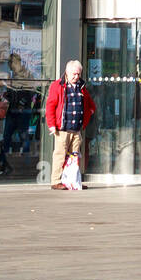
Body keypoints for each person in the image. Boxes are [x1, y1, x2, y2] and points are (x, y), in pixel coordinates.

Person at [44, 59, 96, 190]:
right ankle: (56, 181)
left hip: (76, 129)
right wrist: (51, 124)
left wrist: (85, 119)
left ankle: (73, 181)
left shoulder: (82, 87)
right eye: (74, 74)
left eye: (78, 74)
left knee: (75, 157)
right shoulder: (58, 86)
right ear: (67, 73)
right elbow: (50, 106)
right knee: (60, 155)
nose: (76, 76)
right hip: (62, 129)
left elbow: (91, 105)